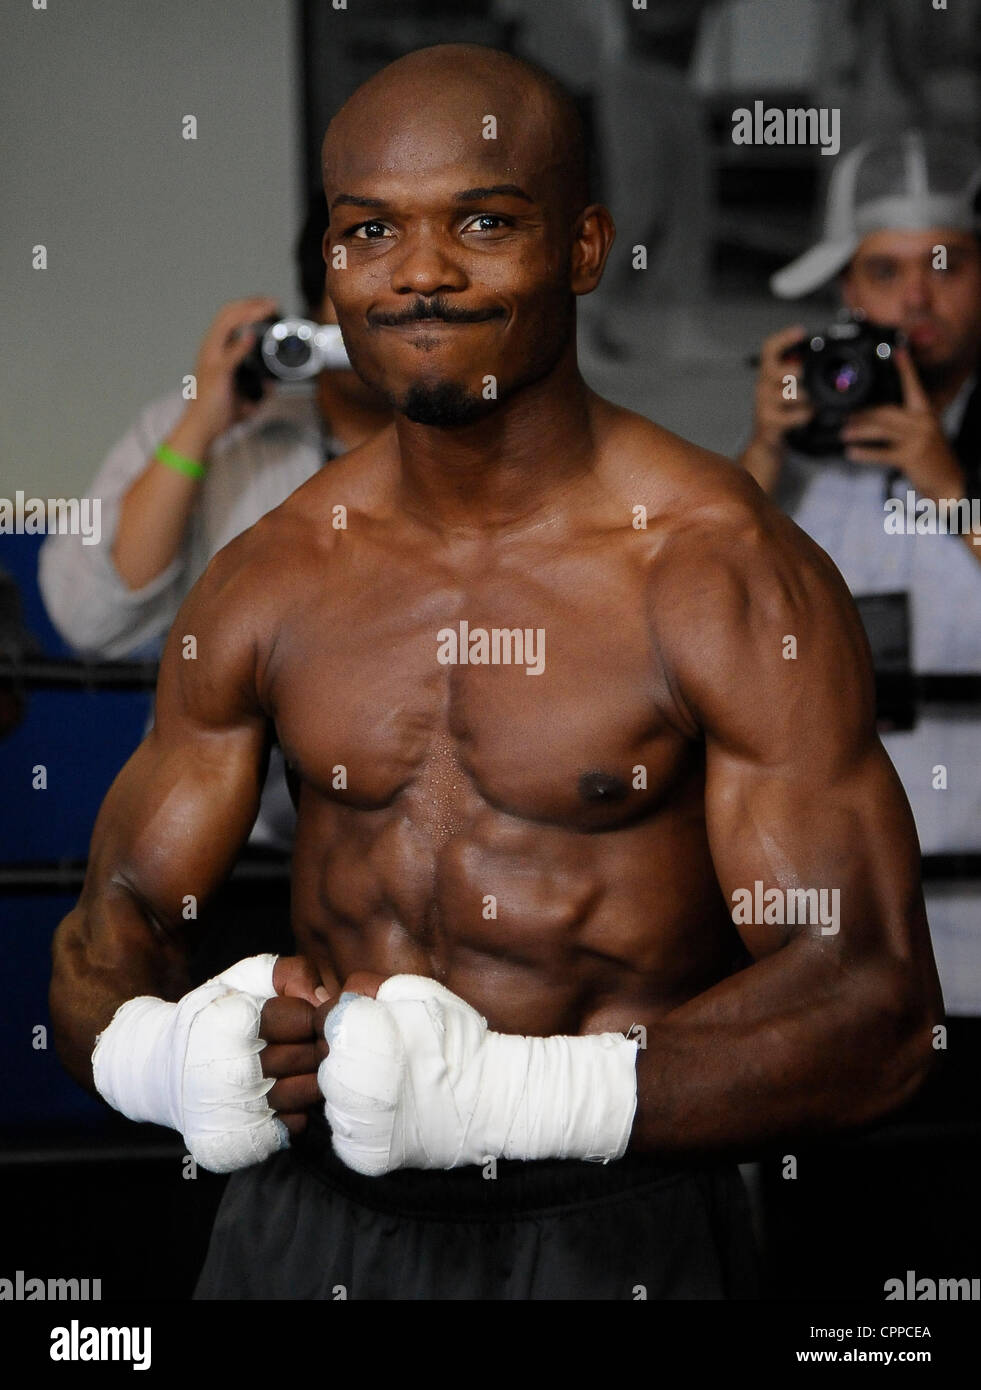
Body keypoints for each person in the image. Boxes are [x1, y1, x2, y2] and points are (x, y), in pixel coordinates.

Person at [50, 44, 941, 1301]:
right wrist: (165, 1054)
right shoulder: (271, 575)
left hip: (609, 1229)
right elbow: (109, 930)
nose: (419, 272)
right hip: (306, 1225)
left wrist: (508, 1100)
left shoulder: (721, 569)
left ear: (583, 250)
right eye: (371, 230)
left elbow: (879, 1004)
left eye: (482, 221)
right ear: (332, 265)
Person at [38, 191, 393, 850]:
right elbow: (90, 617)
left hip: (420, 844)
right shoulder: (217, 424)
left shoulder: (485, 444)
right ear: (313, 314)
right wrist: (201, 423)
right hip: (230, 844)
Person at [739, 128, 981, 1017]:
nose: (915, 295)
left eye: (945, 264)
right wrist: (764, 447)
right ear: (843, 293)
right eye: (883, 272)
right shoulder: (799, 460)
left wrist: (951, 491)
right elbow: (690, 614)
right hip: (835, 961)